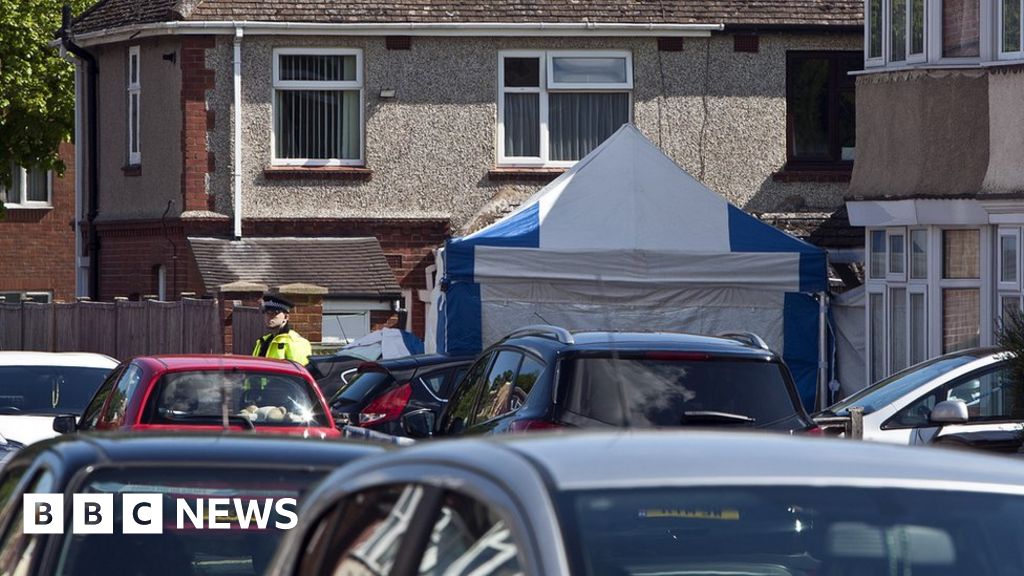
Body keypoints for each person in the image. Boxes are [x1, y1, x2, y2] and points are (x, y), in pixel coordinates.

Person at [252, 294, 312, 366]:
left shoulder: (295, 342)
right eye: (267, 312)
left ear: (286, 317)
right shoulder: (262, 341)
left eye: (275, 313)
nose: (269, 317)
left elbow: (299, 374)